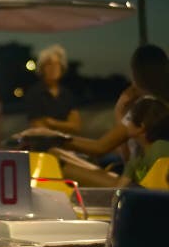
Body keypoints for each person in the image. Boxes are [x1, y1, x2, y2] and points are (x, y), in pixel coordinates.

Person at [19, 44, 169, 186]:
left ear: (137, 73)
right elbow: (126, 157)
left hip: (137, 186)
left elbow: (99, 147)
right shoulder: (161, 104)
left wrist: (52, 137)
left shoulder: (146, 106)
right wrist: (120, 113)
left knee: (56, 162)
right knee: (57, 154)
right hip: (140, 179)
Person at [24, 44, 81, 134]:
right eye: (49, 64)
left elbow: (76, 127)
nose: (53, 68)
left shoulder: (67, 94)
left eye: (57, 64)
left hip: (67, 142)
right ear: (42, 68)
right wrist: (66, 126)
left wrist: (52, 123)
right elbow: (39, 127)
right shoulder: (34, 93)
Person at [117, 97, 169, 186]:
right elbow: (119, 189)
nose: (127, 124)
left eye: (129, 119)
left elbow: (118, 191)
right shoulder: (137, 159)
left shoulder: (160, 149)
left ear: (141, 127)